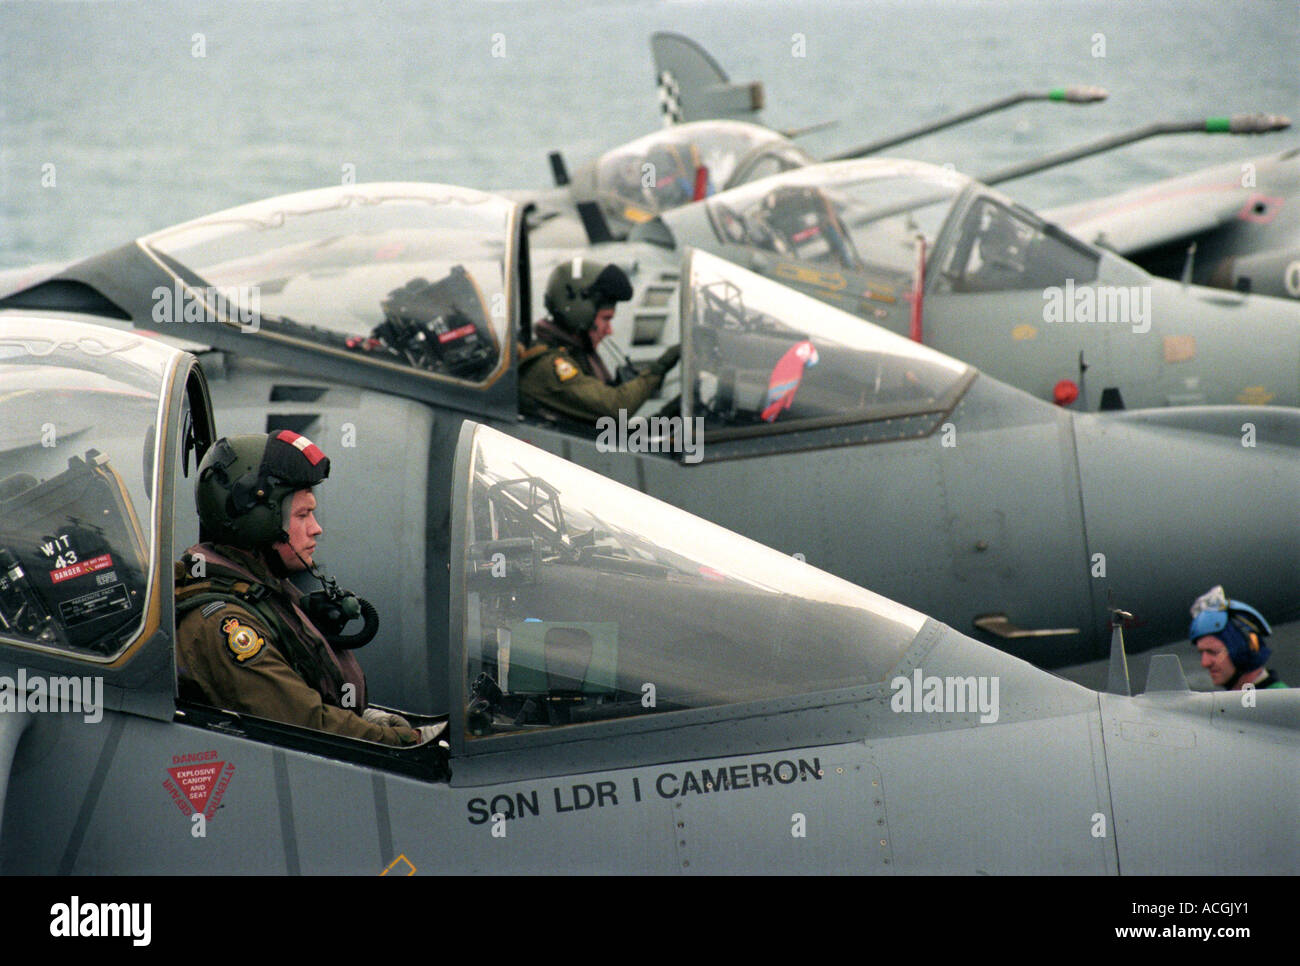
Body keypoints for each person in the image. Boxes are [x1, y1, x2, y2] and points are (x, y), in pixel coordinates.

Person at [175, 430, 440, 745]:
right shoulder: (224, 625)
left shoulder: (264, 590)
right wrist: (405, 740)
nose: (316, 529)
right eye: (303, 515)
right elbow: (306, 725)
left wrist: (366, 717)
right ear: (260, 519)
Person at [519, 258, 680, 424]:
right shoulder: (548, 367)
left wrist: (671, 415)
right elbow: (615, 407)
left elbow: (605, 433)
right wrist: (660, 367)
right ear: (581, 312)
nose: (609, 331)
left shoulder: (577, 356)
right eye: (606, 319)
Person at [1188, 585, 1285, 690]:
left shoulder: (1284, 704)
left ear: (1243, 649)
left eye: (1212, 652)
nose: (1205, 663)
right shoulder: (1240, 703)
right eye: (1202, 653)